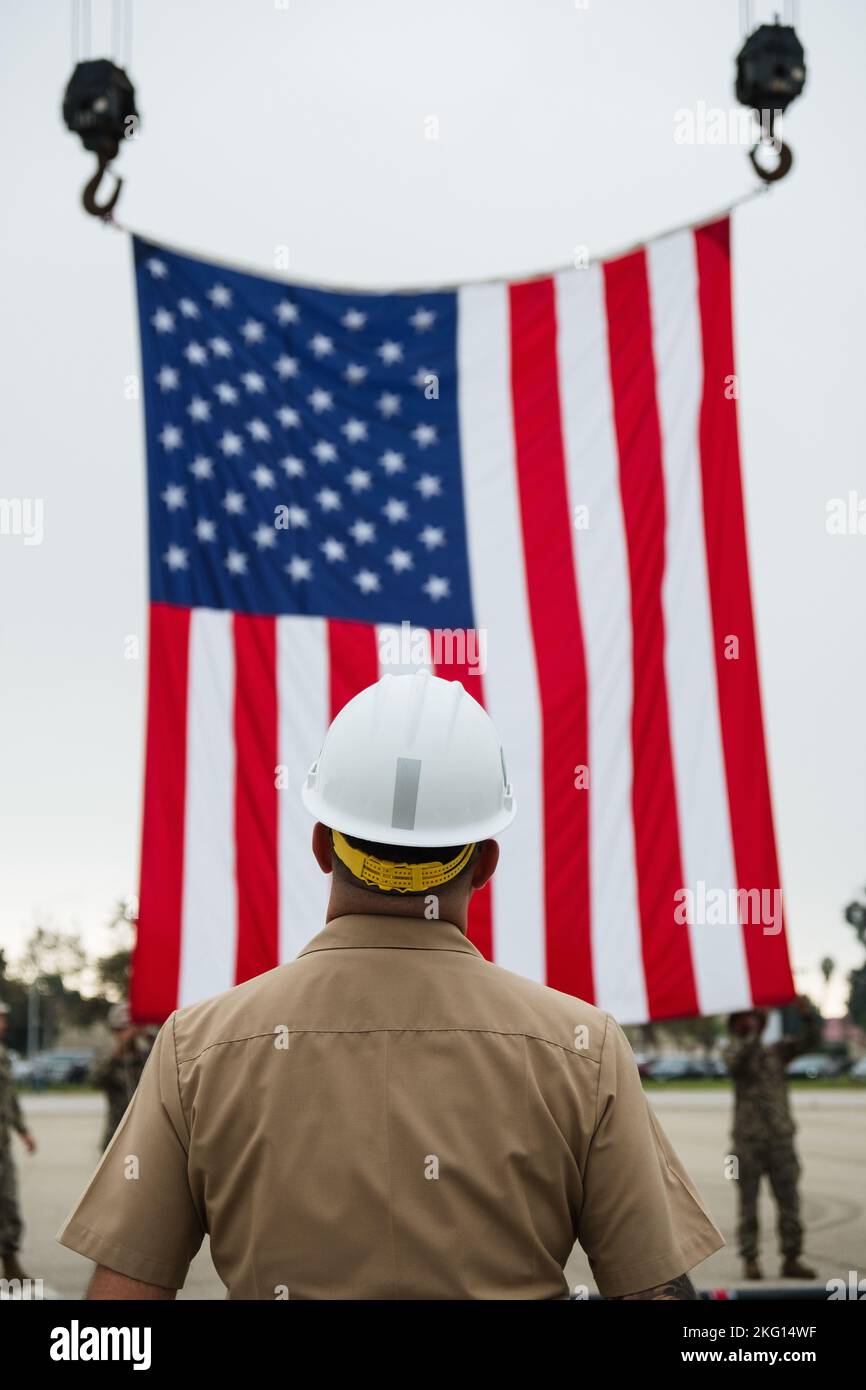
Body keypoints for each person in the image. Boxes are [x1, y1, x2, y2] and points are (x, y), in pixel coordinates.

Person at [58, 670, 724, 1301]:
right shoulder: (583, 1048)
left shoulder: (196, 1048)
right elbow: (652, 1289)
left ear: (323, 845)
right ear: (484, 863)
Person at [723, 998, 819, 1280]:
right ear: (735, 1025)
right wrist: (755, 1030)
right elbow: (737, 1062)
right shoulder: (732, 1051)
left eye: (754, 1017)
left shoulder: (776, 1052)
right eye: (744, 1018)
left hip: (780, 1141)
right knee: (747, 1205)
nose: (750, 1022)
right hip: (746, 1144)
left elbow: (812, 1041)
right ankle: (750, 1259)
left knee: (789, 1202)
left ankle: (792, 1257)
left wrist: (806, 1016)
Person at [0, 999, 37, 1283]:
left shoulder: (2, 1054)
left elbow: (8, 1097)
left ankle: (10, 1265)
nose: (3, 1023)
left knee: (7, 1201)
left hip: (2, 1144)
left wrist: (23, 1130)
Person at [90, 1001, 153, 1151]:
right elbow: (94, 1081)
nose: (127, 1033)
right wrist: (119, 1050)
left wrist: (145, 1033)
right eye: (121, 1030)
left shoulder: (146, 1055)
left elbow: (169, 1053)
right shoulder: (108, 1058)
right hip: (116, 1132)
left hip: (146, 1134)